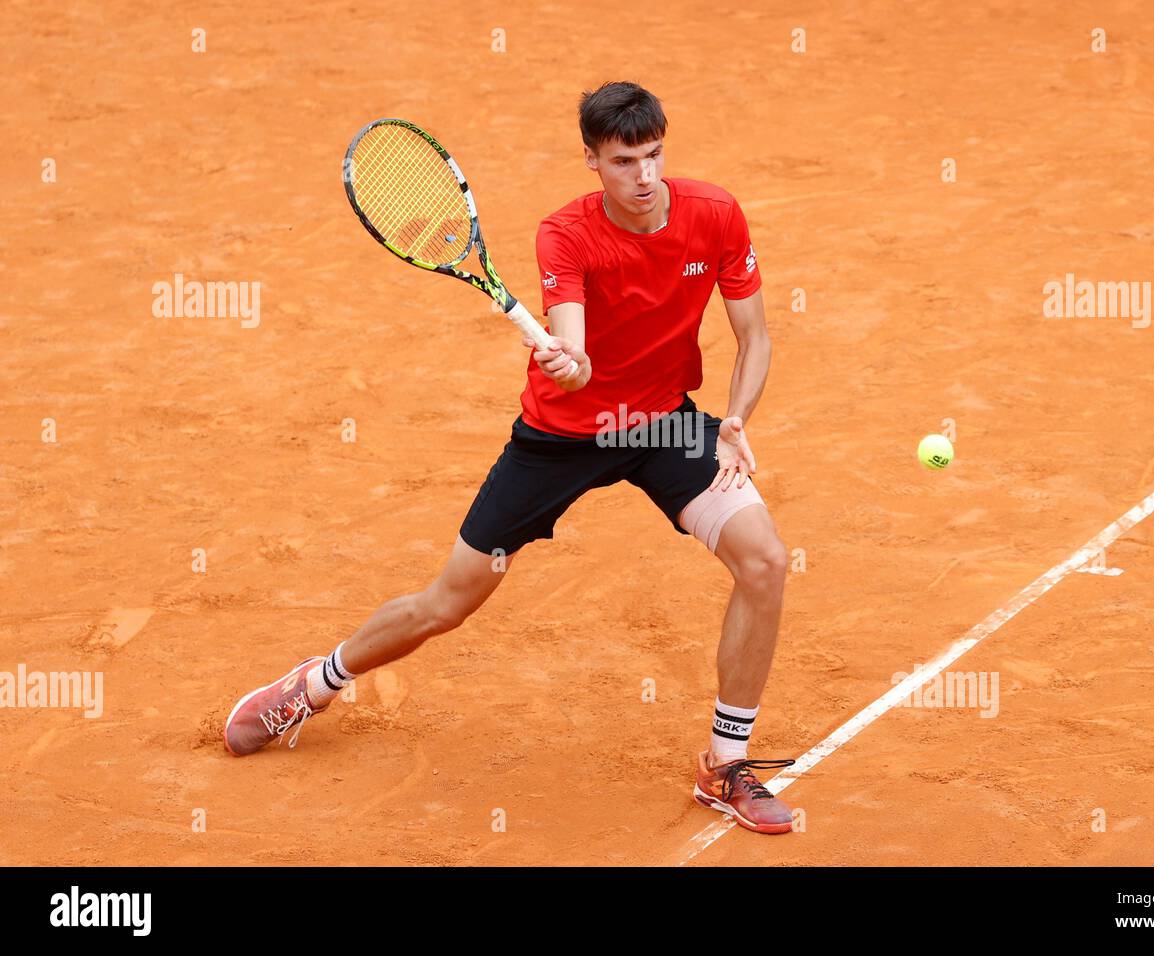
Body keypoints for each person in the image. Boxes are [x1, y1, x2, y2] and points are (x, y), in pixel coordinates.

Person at [223, 81, 795, 834]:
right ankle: (319, 681)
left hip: (663, 426)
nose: (645, 176)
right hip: (560, 438)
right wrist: (573, 366)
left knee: (766, 561)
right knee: (447, 604)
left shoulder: (713, 214)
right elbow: (577, 347)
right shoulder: (564, 235)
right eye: (625, 161)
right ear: (591, 160)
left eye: (655, 156)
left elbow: (754, 336)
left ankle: (725, 767)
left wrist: (733, 423)